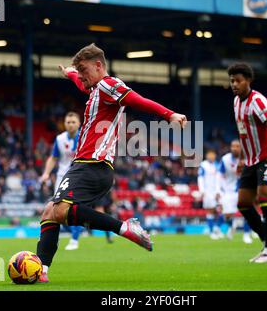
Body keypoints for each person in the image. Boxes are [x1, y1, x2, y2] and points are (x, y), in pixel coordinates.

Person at [36, 43, 187, 282]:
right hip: (87, 165)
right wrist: (71, 73)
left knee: (59, 210)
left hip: (91, 164)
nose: (83, 76)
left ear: (98, 66)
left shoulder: (109, 85)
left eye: (84, 69)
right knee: (50, 212)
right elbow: (81, 82)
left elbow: (138, 100)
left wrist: (170, 114)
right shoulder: (96, 89)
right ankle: (41, 270)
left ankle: (123, 228)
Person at [228, 62, 267, 263]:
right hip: (250, 161)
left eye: (238, 81)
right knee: (243, 203)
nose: (234, 84)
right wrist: (242, 158)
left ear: (248, 81)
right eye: (232, 81)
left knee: (265, 198)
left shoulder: (258, 101)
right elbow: (243, 134)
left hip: (266, 157)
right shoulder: (235, 102)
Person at [40, 112, 83, 251]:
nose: (70, 125)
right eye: (68, 122)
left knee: (73, 208)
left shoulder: (85, 136)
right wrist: (46, 173)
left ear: (79, 123)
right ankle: (74, 233)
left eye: (73, 122)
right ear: (64, 124)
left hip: (79, 176)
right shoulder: (60, 139)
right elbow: (53, 158)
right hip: (62, 177)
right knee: (57, 210)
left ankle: (74, 239)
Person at [216, 139, 253, 243]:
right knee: (227, 215)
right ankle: (232, 226)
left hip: (244, 188)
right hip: (229, 191)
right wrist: (218, 190)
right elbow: (220, 175)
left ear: (241, 148)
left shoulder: (247, 158)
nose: (235, 148)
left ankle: (246, 234)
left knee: (247, 212)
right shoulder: (225, 159)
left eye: (237, 146)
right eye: (233, 146)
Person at [198, 150, 223, 240]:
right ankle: (212, 232)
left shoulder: (218, 165)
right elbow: (200, 178)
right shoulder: (203, 165)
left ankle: (217, 228)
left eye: (213, 155)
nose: (211, 157)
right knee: (210, 212)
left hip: (217, 192)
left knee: (222, 211)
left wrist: (218, 191)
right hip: (208, 192)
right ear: (207, 156)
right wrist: (202, 190)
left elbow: (220, 179)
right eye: (210, 155)